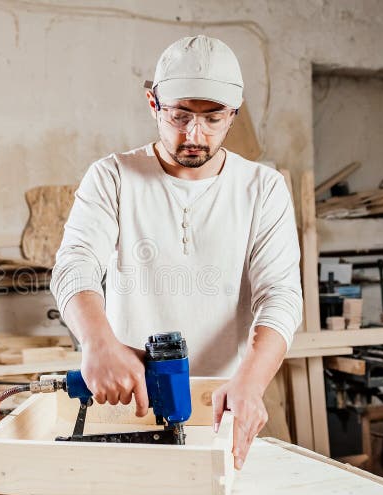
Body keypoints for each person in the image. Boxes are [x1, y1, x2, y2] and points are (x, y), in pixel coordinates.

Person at [49, 35, 302, 469]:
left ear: (234, 114)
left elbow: (280, 296)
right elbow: (75, 265)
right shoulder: (113, 177)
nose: (194, 135)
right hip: (133, 402)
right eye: (180, 115)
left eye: (213, 119)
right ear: (153, 102)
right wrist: (98, 342)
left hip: (231, 400)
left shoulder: (263, 188)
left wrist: (251, 381)